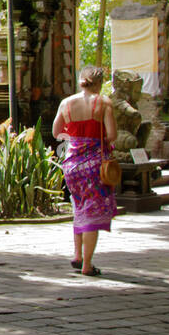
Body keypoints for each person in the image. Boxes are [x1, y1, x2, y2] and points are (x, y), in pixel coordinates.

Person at [51, 65, 118, 276]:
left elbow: (56, 132)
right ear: (99, 83)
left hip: (71, 164)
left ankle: (77, 255)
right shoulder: (104, 102)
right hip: (95, 166)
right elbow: (113, 134)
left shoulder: (66, 103)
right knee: (93, 212)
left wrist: (75, 139)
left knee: (79, 208)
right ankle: (88, 265)